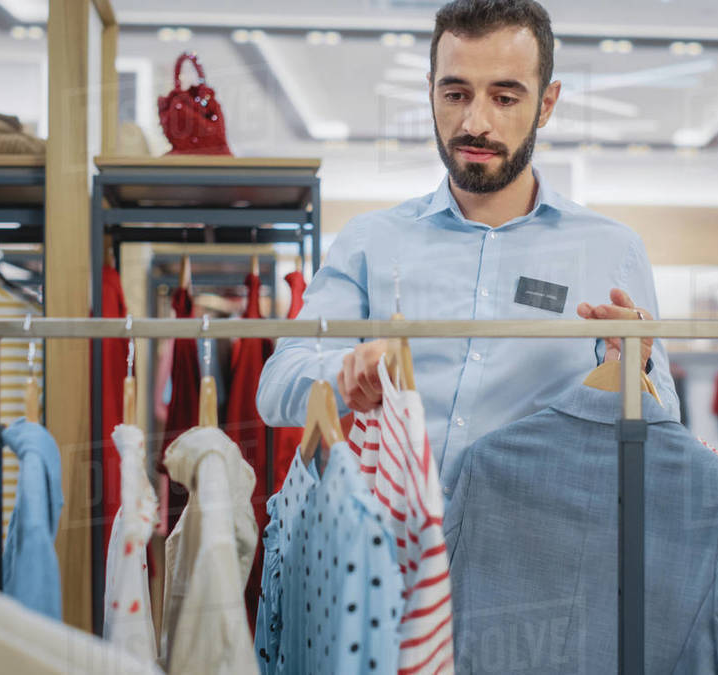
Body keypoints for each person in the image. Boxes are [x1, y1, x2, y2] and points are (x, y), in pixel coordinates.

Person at [256, 0, 679, 496]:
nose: (475, 123)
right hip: (389, 558)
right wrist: (343, 375)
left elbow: (667, 426)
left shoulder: (613, 250)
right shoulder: (369, 241)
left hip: (536, 554)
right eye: (456, 93)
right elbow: (276, 388)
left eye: (505, 98)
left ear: (546, 103)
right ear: (430, 94)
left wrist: (635, 370)